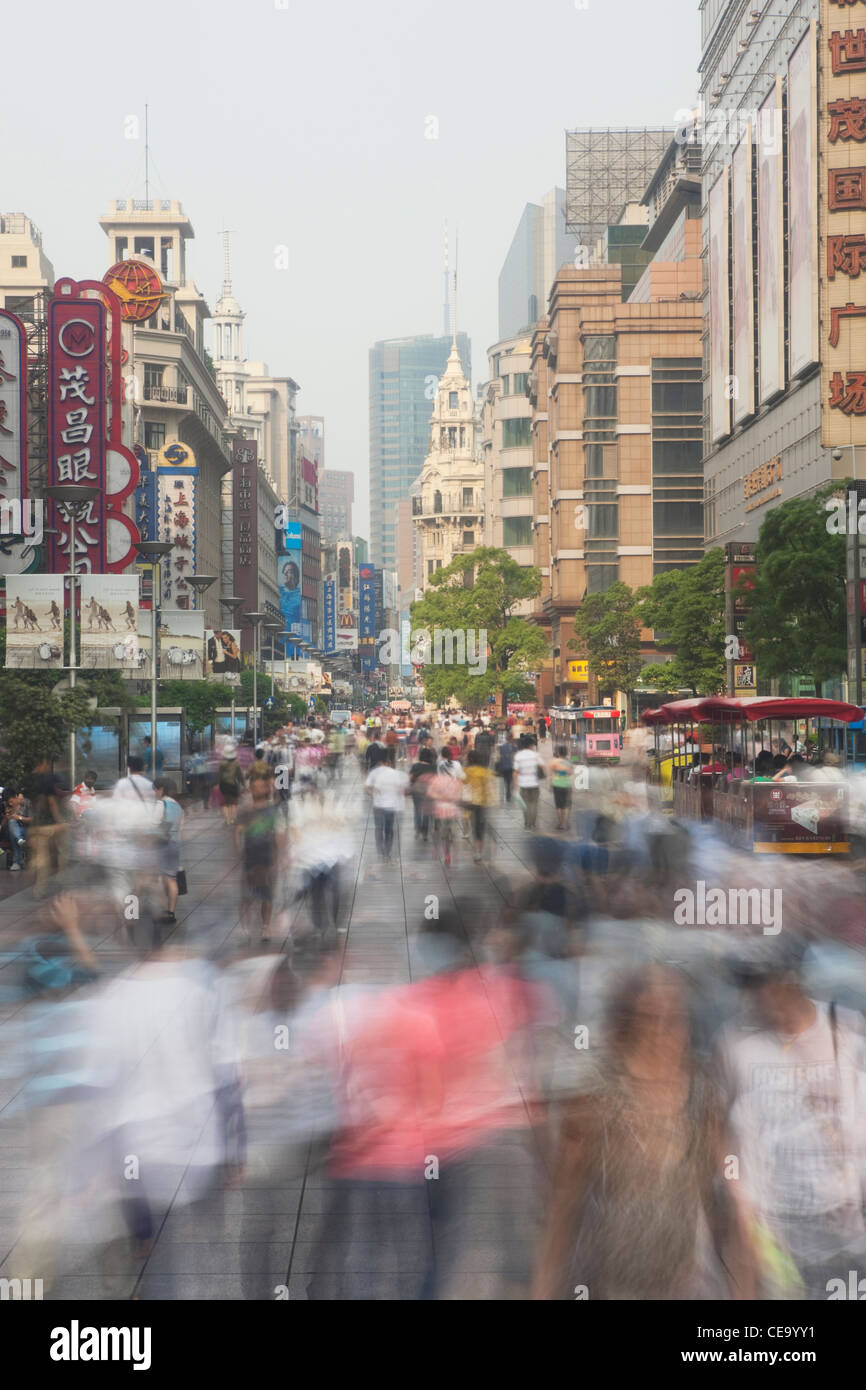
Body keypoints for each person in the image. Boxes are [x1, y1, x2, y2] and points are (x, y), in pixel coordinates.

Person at [534, 965, 754, 1300]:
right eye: (650, 1018)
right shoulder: (596, 1097)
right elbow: (562, 1207)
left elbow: (726, 1202)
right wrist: (544, 1290)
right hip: (605, 1285)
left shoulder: (701, 1097)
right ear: (627, 1024)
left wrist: (742, 1286)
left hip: (681, 1284)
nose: (663, 1031)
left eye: (674, 1018)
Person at [716, 937, 866, 1299]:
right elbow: (718, 1127)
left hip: (850, 1226)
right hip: (777, 1234)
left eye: (760, 982)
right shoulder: (735, 1042)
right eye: (746, 984)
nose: (752, 995)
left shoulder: (847, 1030)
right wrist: (737, 1193)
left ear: (792, 980)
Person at [236, 775, 285, 944]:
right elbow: (238, 831)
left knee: (267, 894)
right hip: (249, 855)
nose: (257, 790)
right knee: (247, 894)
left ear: (267, 789)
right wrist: (238, 851)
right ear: (250, 790)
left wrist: (279, 857)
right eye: (254, 787)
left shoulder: (273, 810)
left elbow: (279, 834)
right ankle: (245, 928)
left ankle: (266, 926)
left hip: (268, 855)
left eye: (261, 786)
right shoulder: (246, 811)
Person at [365, 755, 409, 862]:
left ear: (381, 763)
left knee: (378, 828)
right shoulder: (395, 774)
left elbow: (366, 787)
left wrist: (372, 794)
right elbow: (401, 789)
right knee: (389, 829)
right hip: (391, 806)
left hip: (378, 806)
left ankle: (380, 851)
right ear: (388, 763)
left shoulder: (375, 773)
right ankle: (387, 852)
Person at [154, 776, 184, 925]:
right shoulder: (178, 807)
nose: (155, 792)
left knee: (159, 878)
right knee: (172, 879)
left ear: (161, 790)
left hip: (161, 845)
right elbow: (180, 830)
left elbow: (152, 825)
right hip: (174, 845)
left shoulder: (161, 805)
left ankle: (160, 910)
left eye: (156, 789)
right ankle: (171, 911)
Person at [463, 750, 495, 862]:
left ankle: (477, 850)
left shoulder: (466, 771)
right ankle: (479, 852)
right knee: (479, 828)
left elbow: (463, 783)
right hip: (482, 803)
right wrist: (493, 801)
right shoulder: (484, 772)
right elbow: (489, 788)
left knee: (474, 826)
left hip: (470, 802)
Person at [513, 736, 545, 830]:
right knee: (534, 804)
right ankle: (533, 823)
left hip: (523, 784)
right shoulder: (535, 755)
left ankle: (527, 823)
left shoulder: (518, 756)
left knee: (525, 804)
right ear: (531, 745)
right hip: (534, 783)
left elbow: (515, 772)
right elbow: (542, 766)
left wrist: (515, 786)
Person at [218, 742, 245, 826]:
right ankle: (233, 819)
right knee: (233, 803)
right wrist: (244, 784)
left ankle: (227, 819)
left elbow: (219, 775)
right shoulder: (236, 764)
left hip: (223, 785)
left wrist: (216, 784)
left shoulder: (221, 764)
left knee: (224, 803)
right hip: (233, 784)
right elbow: (239, 775)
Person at [549, 745, 573, 831]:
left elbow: (551, 775)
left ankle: (560, 823)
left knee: (559, 805)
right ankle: (566, 823)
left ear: (558, 752)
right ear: (566, 753)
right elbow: (570, 773)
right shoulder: (569, 762)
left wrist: (550, 785)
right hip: (567, 784)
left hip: (557, 784)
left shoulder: (554, 762)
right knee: (566, 805)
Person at [495, 728, 515, 804]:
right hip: (511, 767)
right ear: (512, 738)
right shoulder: (514, 747)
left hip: (503, 767)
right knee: (510, 781)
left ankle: (507, 793)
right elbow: (514, 757)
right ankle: (508, 793)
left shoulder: (501, 747)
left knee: (506, 781)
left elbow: (498, 757)